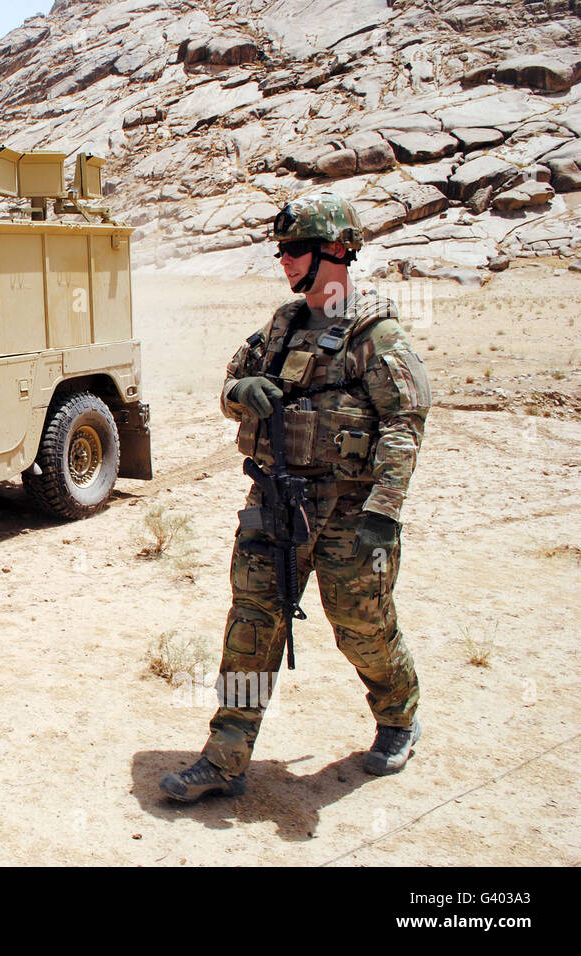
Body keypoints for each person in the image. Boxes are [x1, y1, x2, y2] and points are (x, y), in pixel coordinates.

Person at [160, 193, 430, 802]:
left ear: (336, 250)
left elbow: (405, 422)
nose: (283, 260)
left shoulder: (373, 332)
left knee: (361, 627)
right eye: (281, 249)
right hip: (275, 503)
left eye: (294, 248)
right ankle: (225, 757)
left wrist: (384, 512)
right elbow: (230, 384)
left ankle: (398, 716)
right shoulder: (280, 326)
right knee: (251, 628)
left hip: (347, 512)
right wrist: (242, 390)